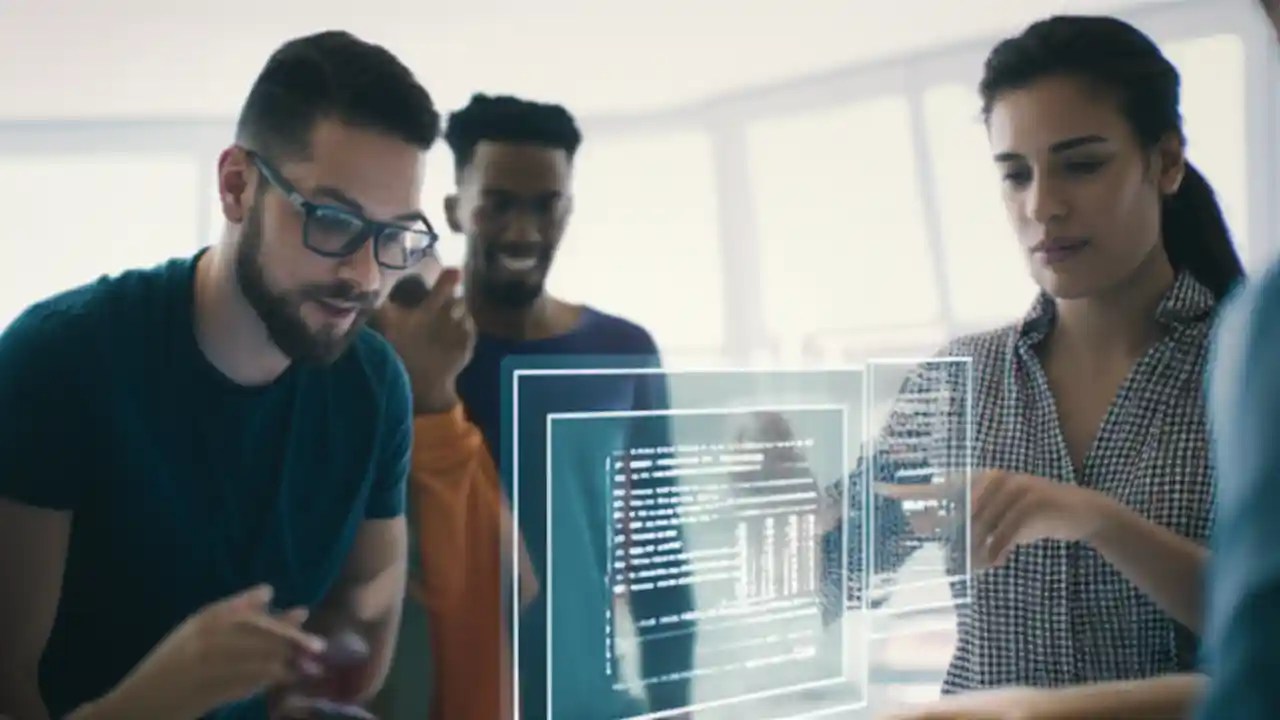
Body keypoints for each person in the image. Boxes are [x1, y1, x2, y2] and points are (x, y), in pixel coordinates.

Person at [0, 30, 440, 719]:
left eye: (395, 237)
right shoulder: (57, 364)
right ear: (237, 187)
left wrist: (314, 678)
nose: (364, 273)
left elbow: (373, 581)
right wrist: (159, 699)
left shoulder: (372, 384)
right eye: (332, 220)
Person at [842, 11, 1244, 705]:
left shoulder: (1248, 369)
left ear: (1166, 161)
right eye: (1014, 174)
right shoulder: (956, 380)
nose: (1042, 206)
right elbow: (841, 571)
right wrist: (784, 510)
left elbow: (1265, 629)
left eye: (1081, 165)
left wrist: (1100, 521)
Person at [375, 94, 696, 719]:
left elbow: (663, 562)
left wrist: (673, 708)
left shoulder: (623, 352)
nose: (524, 232)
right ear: (457, 211)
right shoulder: (406, 356)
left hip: (596, 706)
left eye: (546, 207)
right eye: (499, 204)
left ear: (568, 212)